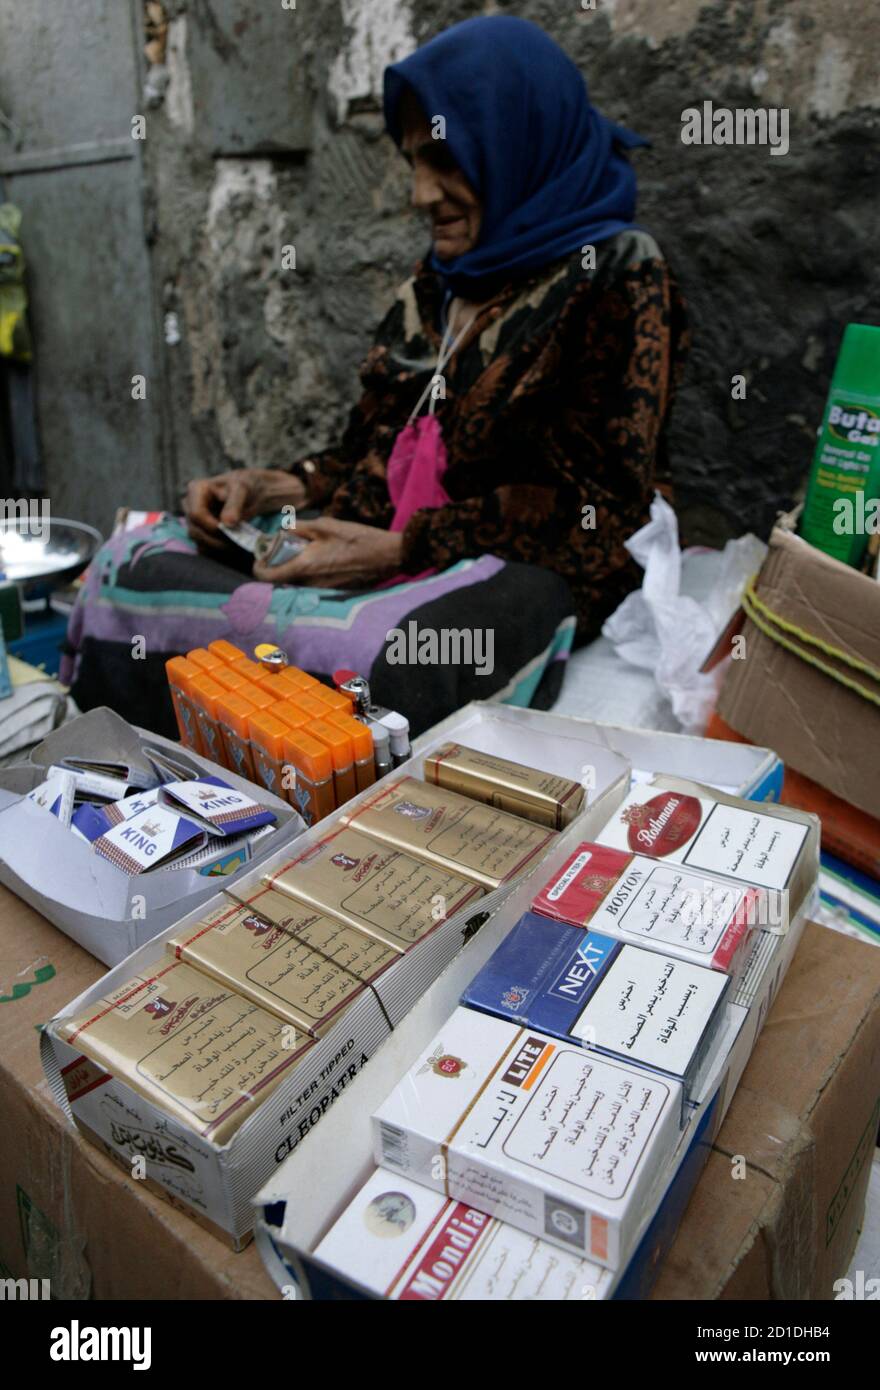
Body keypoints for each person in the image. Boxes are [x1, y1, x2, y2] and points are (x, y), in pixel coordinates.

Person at [65, 15, 688, 738]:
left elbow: (606, 515)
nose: (421, 194)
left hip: (512, 573)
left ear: (517, 144)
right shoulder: (439, 286)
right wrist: (279, 486)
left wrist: (404, 548)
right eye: (413, 162)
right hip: (385, 561)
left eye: (446, 160)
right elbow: (371, 454)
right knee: (129, 564)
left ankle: (301, 717)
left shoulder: (616, 275)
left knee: (399, 655)